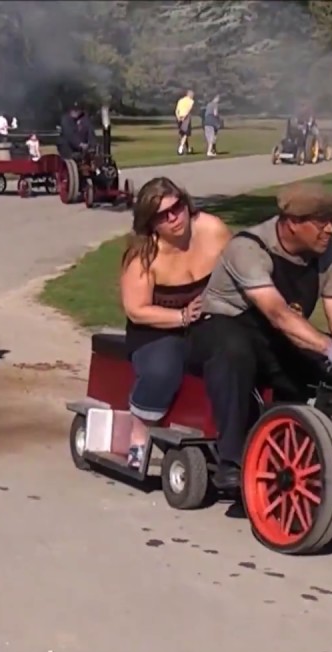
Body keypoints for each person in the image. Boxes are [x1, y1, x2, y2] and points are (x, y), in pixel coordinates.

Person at [188, 182, 332, 491]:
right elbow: (276, 312)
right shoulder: (248, 248)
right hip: (221, 328)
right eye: (322, 222)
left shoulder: (327, 256)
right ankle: (231, 462)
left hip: (276, 333)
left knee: (331, 374)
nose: (331, 229)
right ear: (292, 223)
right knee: (234, 350)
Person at [119, 178, 233, 469]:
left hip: (206, 322)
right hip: (154, 332)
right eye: (162, 215)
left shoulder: (212, 229)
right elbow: (136, 310)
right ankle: (139, 431)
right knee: (163, 369)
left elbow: (238, 269)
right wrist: (181, 316)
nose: (174, 218)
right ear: (150, 223)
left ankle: (229, 434)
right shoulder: (143, 255)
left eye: (177, 207)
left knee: (234, 353)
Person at [175, 89, 195, 155]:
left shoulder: (180, 100)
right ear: (190, 94)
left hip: (179, 117)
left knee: (183, 134)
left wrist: (178, 117)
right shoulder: (191, 101)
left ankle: (188, 148)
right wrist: (184, 117)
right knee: (186, 133)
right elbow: (188, 110)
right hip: (186, 117)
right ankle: (180, 148)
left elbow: (177, 110)